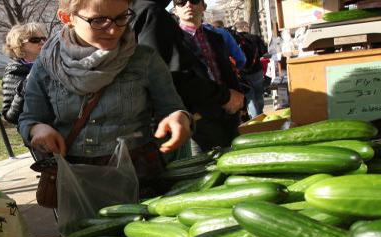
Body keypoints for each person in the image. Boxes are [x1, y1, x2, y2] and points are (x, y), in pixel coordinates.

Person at [19, 0, 192, 198]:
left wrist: (178, 116)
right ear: (67, 18)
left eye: (121, 18)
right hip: (78, 181)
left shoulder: (144, 58)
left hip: (141, 176)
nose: (113, 30)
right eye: (99, 20)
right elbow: (29, 118)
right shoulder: (46, 64)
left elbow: (172, 107)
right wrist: (37, 129)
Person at [172, 0, 246, 151]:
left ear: (203, 6)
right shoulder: (173, 40)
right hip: (201, 118)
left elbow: (227, 70)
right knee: (209, 168)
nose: (188, 5)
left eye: (193, 0)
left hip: (228, 112)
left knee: (236, 161)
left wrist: (239, 100)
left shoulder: (216, 37)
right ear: (175, 10)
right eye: (181, 2)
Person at [1, 22, 48, 126]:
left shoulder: (52, 65)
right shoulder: (14, 73)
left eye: (44, 39)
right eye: (35, 40)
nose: (42, 42)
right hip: (37, 133)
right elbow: (10, 116)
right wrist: (25, 86)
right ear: (19, 45)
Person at [232, 19, 268, 120]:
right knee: (259, 94)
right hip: (256, 70)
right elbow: (263, 52)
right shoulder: (254, 38)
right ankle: (261, 114)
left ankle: (256, 119)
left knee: (250, 97)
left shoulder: (233, 39)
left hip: (241, 73)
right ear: (244, 27)